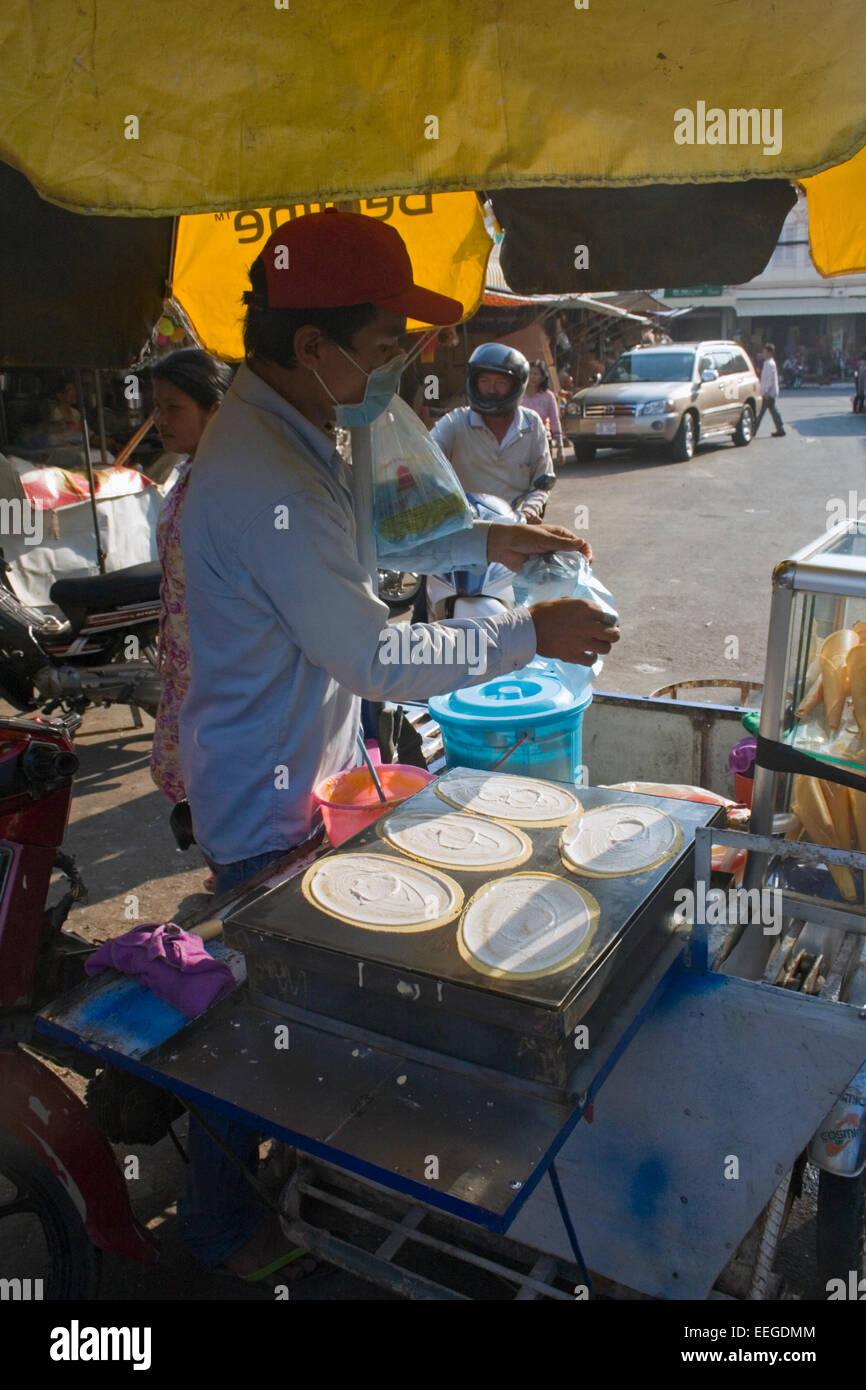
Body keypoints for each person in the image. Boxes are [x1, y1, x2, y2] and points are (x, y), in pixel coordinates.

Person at [175, 209, 619, 1281]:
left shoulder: (289, 424)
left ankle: (264, 1190)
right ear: (312, 344)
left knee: (289, 994)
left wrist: (485, 538)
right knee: (268, 1013)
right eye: (380, 346)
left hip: (301, 768)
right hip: (261, 792)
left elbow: (365, 536)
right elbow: (375, 653)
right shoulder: (261, 471)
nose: (394, 367)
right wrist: (527, 629)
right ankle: (220, 1234)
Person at [147, 350, 233, 881]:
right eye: (156, 407)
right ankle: (223, 871)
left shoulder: (228, 485)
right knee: (197, 784)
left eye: (173, 407)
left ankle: (232, 878)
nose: (160, 420)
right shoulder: (189, 471)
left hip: (216, 667)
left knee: (219, 784)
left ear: (215, 411)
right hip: (185, 663)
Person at [431, 344, 555, 523]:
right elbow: (425, 456)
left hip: (515, 525)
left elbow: (542, 482)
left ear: (516, 386)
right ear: (474, 382)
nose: (491, 389)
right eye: (484, 381)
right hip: (468, 526)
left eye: (501, 383)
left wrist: (529, 511)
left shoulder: (532, 424)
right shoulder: (455, 422)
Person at [523, 359, 564, 465]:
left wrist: (560, 446)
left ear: (542, 377)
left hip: (542, 440)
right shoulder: (518, 396)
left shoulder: (548, 396)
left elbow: (555, 420)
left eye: (535, 374)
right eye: (529, 373)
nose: (532, 377)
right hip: (521, 442)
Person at [754, 343, 786, 438]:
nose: (763, 354)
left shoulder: (769, 364)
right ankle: (780, 428)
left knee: (761, 412)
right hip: (769, 392)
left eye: (764, 352)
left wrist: (766, 391)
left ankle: (753, 430)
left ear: (769, 353)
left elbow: (769, 379)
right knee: (772, 410)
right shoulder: (768, 363)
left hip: (768, 392)